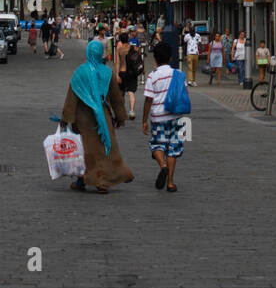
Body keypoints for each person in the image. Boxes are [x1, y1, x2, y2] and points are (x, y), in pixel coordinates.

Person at [60, 38, 133, 193]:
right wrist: (120, 117)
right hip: (103, 118)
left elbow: (71, 98)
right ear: (101, 54)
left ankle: (83, 181)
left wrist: (66, 119)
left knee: (85, 151)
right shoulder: (107, 73)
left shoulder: (80, 72)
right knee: (104, 150)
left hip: (83, 119)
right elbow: (116, 99)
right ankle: (104, 181)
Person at [142, 41, 184, 192]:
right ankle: (171, 183)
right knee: (172, 149)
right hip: (176, 116)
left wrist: (144, 120)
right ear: (171, 57)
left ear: (155, 59)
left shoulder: (152, 76)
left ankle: (163, 166)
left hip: (158, 116)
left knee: (157, 145)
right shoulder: (178, 74)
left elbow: (148, 100)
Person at [121, 36, 143, 117]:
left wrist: (117, 74)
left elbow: (118, 63)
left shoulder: (120, 50)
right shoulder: (134, 51)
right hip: (132, 74)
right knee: (131, 93)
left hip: (123, 72)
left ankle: (122, 111)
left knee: (122, 93)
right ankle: (132, 111)